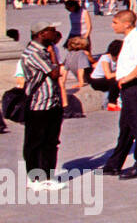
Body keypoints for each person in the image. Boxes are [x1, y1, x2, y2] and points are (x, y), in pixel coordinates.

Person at [101, 10, 137, 179]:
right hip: (130, 86)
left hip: (136, 86)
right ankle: (115, 163)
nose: (112, 25)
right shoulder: (131, 38)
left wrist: (127, 78)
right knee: (126, 125)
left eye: (115, 22)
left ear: (127, 24)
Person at [18, 21, 66, 189]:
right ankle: (34, 177)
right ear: (41, 34)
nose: (55, 33)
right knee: (35, 142)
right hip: (39, 104)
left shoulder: (43, 50)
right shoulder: (34, 53)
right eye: (51, 31)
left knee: (51, 141)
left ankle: (46, 176)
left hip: (52, 102)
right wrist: (54, 56)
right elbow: (54, 73)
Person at [61, 35, 93, 114]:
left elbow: (65, 70)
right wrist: (81, 82)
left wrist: (63, 82)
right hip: (88, 78)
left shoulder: (69, 54)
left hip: (78, 76)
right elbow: (81, 69)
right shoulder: (82, 54)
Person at [89, 40, 123, 111]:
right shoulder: (106, 58)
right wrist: (122, 72)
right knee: (114, 81)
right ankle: (111, 103)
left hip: (106, 79)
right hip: (97, 80)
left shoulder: (119, 58)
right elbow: (108, 75)